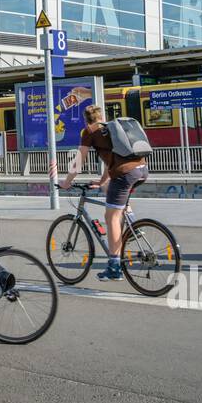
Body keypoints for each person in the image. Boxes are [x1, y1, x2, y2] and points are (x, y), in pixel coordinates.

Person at [60, 104, 147, 281]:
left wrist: (67, 182)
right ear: (102, 117)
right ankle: (134, 227)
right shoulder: (110, 129)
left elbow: (79, 160)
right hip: (142, 169)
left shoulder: (89, 131)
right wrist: (101, 182)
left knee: (111, 217)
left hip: (125, 174)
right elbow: (112, 160)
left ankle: (114, 267)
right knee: (118, 202)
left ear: (86, 120)